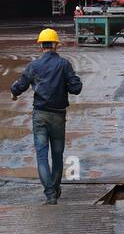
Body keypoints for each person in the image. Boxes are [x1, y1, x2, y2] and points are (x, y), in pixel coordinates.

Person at [11, 27, 82, 205]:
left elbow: (21, 84)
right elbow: (76, 88)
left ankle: (50, 194)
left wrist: (14, 92)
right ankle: (55, 189)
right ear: (56, 45)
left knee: (42, 156)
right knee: (57, 156)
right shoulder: (64, 64)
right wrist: (71, 81)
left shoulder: (34, 65)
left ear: (41, 45)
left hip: (40, 115)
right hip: (58, 116)